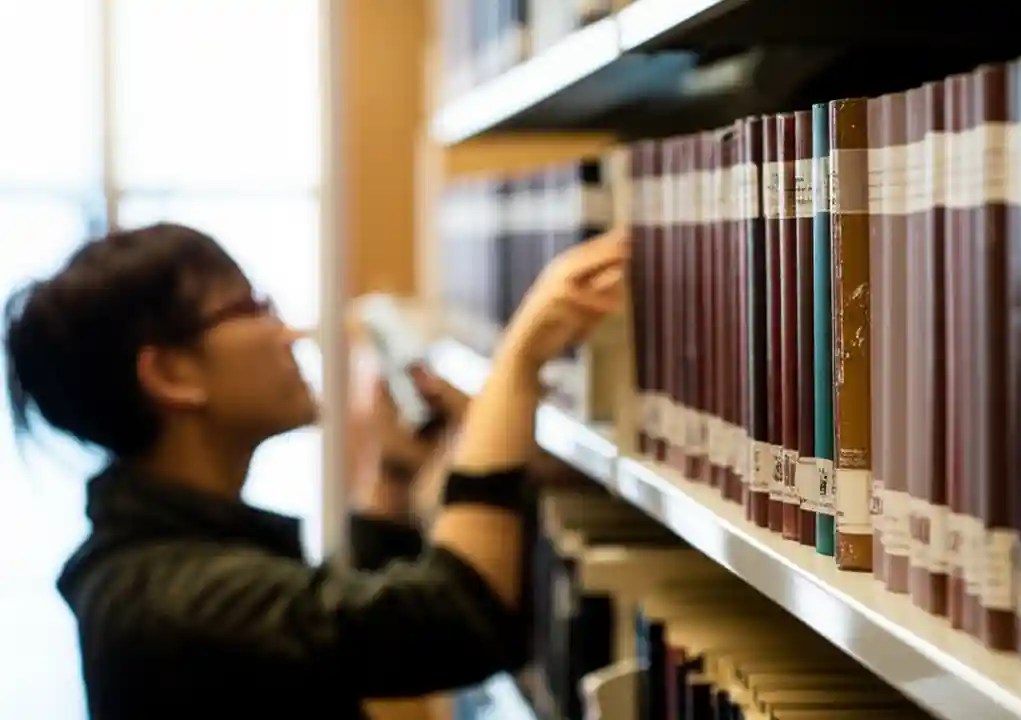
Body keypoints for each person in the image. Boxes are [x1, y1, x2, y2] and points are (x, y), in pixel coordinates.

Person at [2, 222, 628, 719]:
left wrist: (391, 472)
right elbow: (456, 622)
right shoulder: (168, 598)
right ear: (171, 374)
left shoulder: (165, 561)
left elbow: (342, 618)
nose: (290, 332)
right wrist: (518, 368)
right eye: (251, 307)